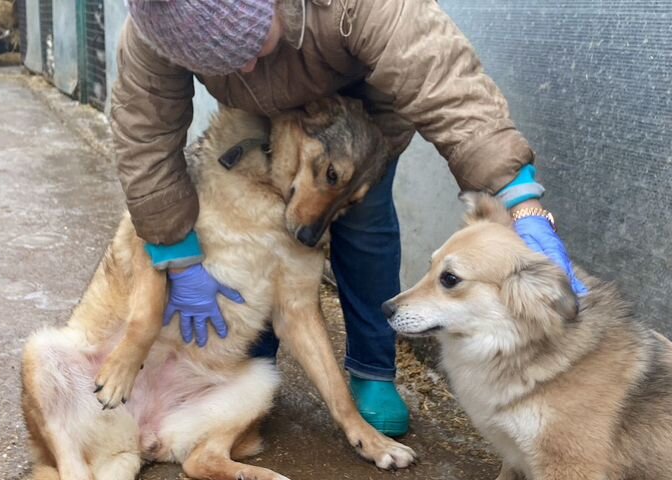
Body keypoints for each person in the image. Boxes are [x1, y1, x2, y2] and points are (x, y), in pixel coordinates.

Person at [111, 0, 586, 438]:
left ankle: (373, 370)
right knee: (268, 233)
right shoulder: (154, 30)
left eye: (251, 45)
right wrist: (174, 249)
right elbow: (143, 134)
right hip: (267, 114)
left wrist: (520, 198)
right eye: (222, 63)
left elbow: (444, 81)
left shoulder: (360, 5)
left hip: (367, 118)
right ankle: (255, 352)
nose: (247, 65)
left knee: (366, 223)